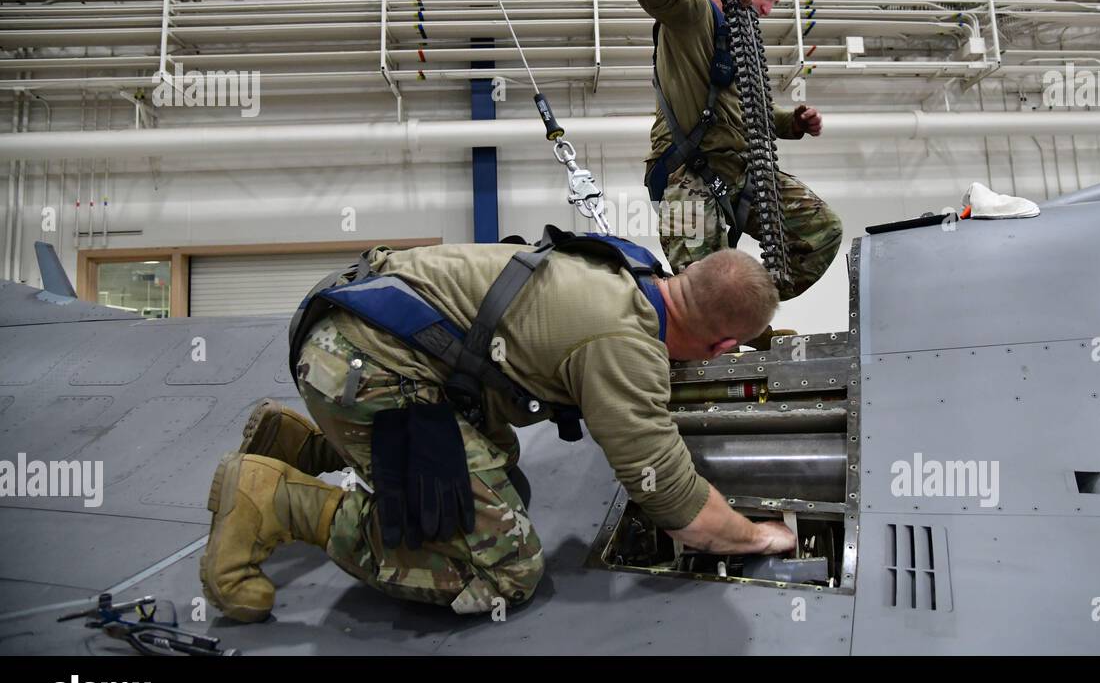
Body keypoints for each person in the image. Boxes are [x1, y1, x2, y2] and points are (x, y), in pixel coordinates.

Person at [199, 239, 797, 621]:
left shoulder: (629, 269)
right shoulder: (624, 348)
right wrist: (759, 537)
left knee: (504, 474)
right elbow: (676, 505)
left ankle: (305, 443)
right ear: (722, 346)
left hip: (355, 314)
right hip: (362, 363)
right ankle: (278, 500)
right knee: (506, 567)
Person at [633, 0, 843, 310]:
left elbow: (750, 111)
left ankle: (744, 311)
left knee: (823, 232)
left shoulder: (740, 37)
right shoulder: (691, 13)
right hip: (688, 174)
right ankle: (719, 318)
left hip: (742, 174)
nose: (768, 8)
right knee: (705, 289)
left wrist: (792, 122)